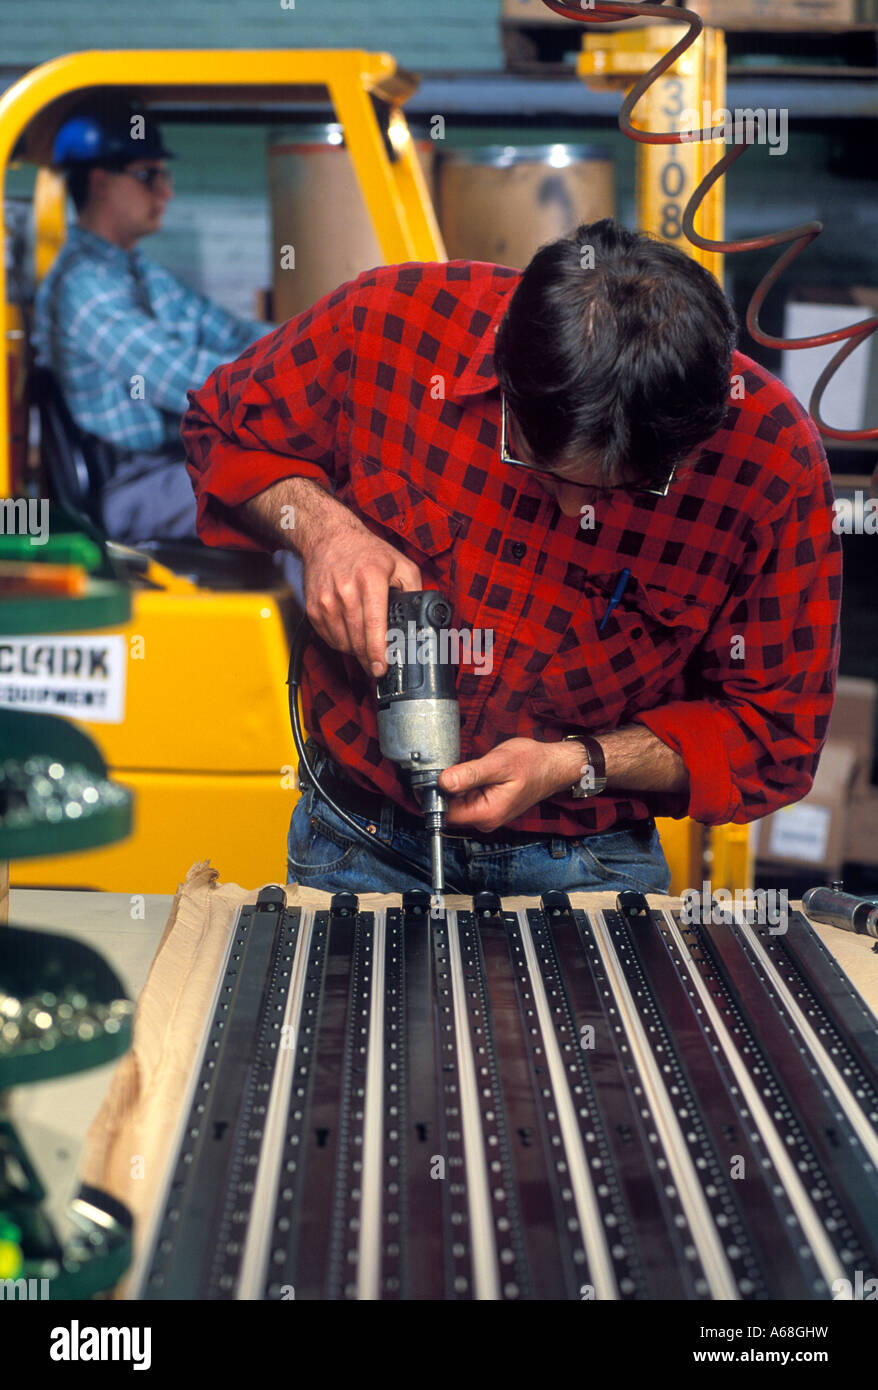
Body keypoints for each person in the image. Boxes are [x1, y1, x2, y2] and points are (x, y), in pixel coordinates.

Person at [181, 218, 842, 898]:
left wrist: (576, 763)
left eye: (621, 493)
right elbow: (221, 430)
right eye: (536, 467)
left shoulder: (770, 460)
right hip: (361, 834)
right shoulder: (395, 323)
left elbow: (772, 736)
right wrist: (324, 531)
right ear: (503, 378)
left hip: (586, 859)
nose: (568, 510)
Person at [32, 97, 302, 596]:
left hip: (170, 464)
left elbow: (224, 330)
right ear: (100, 182)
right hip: (132, 486)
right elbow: (182, 377)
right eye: (149, 175)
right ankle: (331, 666)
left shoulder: (132, 271)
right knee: (298, 495)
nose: (167, 191)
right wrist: (292, 382)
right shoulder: (83, 287)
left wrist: (308, 345)